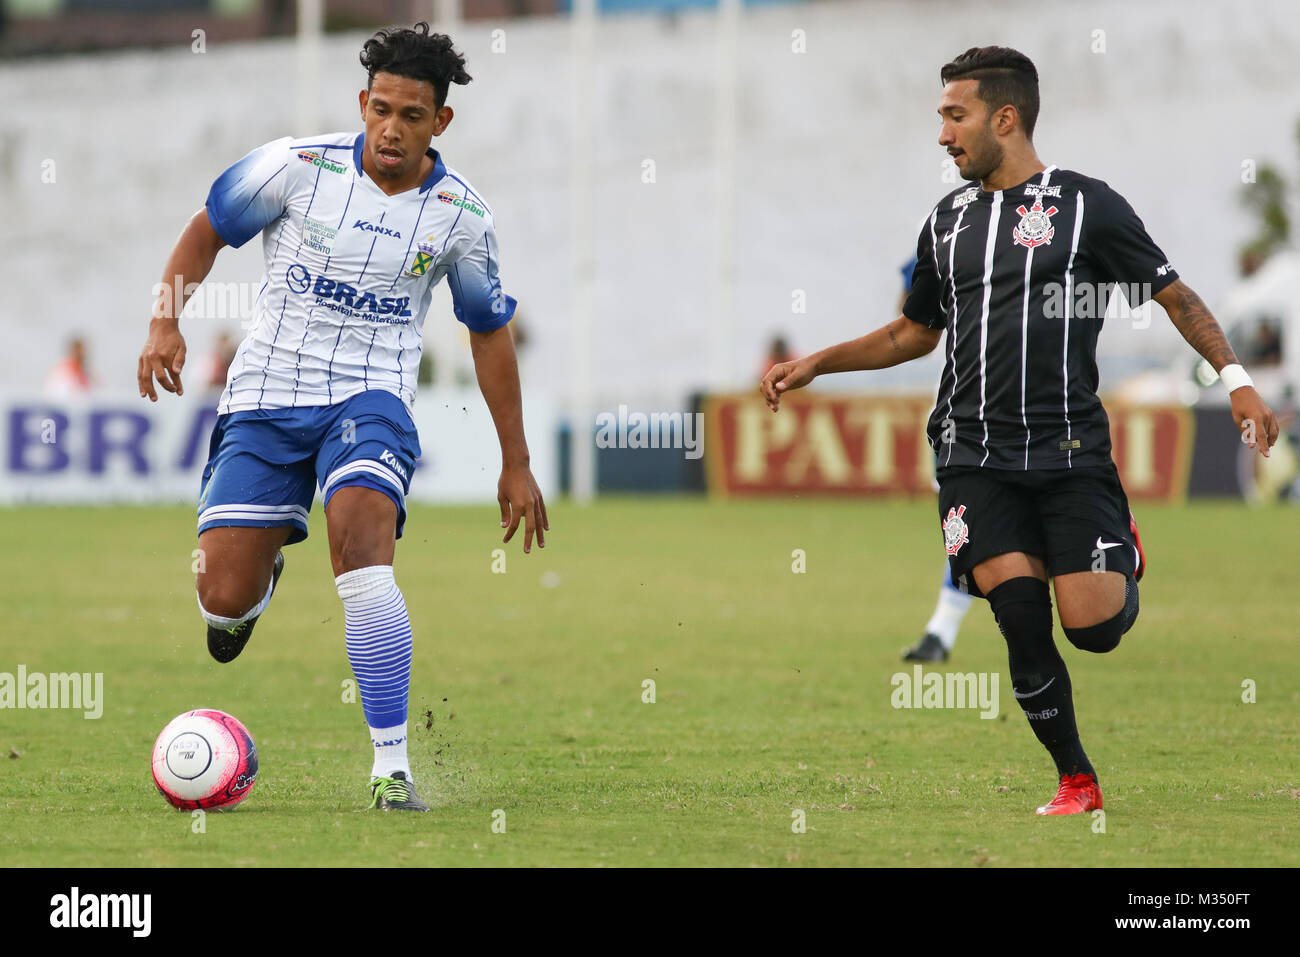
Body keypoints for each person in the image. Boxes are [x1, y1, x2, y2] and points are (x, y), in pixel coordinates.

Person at [761, 46, 1278, 816]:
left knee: (1093, 627)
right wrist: (819, 363)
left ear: (1006, 118)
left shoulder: (1086, 207)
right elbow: (914, 332)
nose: (942, 134)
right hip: (973, 458)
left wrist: (1237, 381)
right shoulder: (944, 223)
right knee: (1022, 625)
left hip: (1071, 453)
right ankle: (1077, 779)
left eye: (955, 115)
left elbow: (1173, 296)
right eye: (941, 116)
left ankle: (1117, 543)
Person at [137, 23, 547, 812]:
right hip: (264, 397)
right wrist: (165, 320)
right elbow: (203, 232)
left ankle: (390, 767)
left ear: (441, 123)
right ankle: (254, 582)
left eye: (413, 115)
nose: (393, 127)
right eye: (382, 108)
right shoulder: (296, 168)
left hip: (370, 400)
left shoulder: (461, 217)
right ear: (363, 104)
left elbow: (488, 331)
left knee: (362, 550)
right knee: (222, 596)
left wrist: (516, 459)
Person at [894, 254, 974, 663]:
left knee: (972, 523)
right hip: (955, 407)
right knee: (965, 522)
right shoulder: (951, 231)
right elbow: (911, 320)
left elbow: (905, 309)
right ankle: (941, 632)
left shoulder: (955, 232)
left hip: (985, 405)